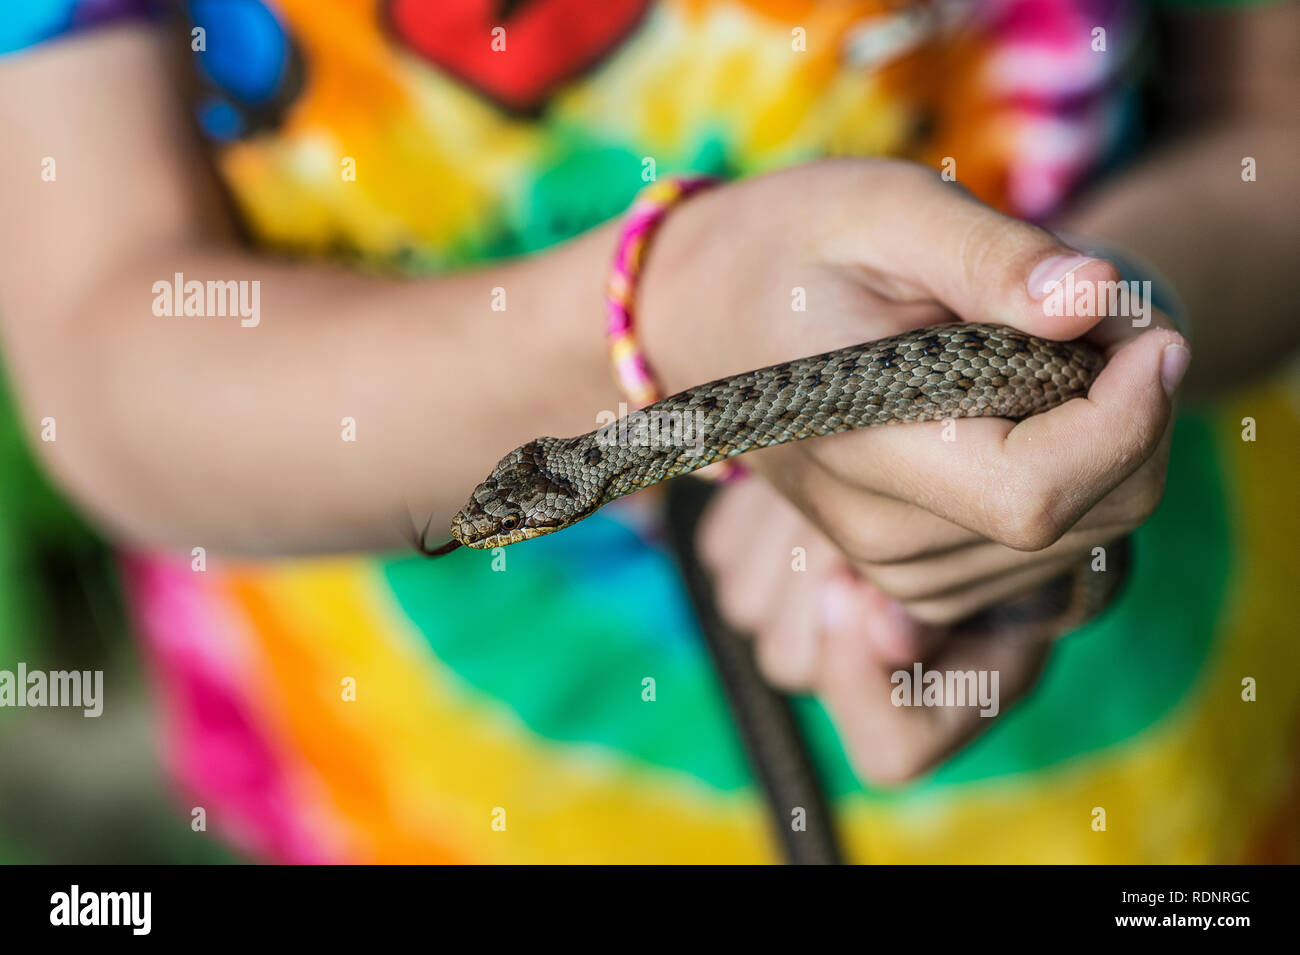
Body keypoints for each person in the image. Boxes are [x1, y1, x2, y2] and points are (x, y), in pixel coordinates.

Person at [0, 0, 1295, 863]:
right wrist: (667, 307)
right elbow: (106, 353)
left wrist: (1085, 358)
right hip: (453, 789)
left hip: (1138, 745)